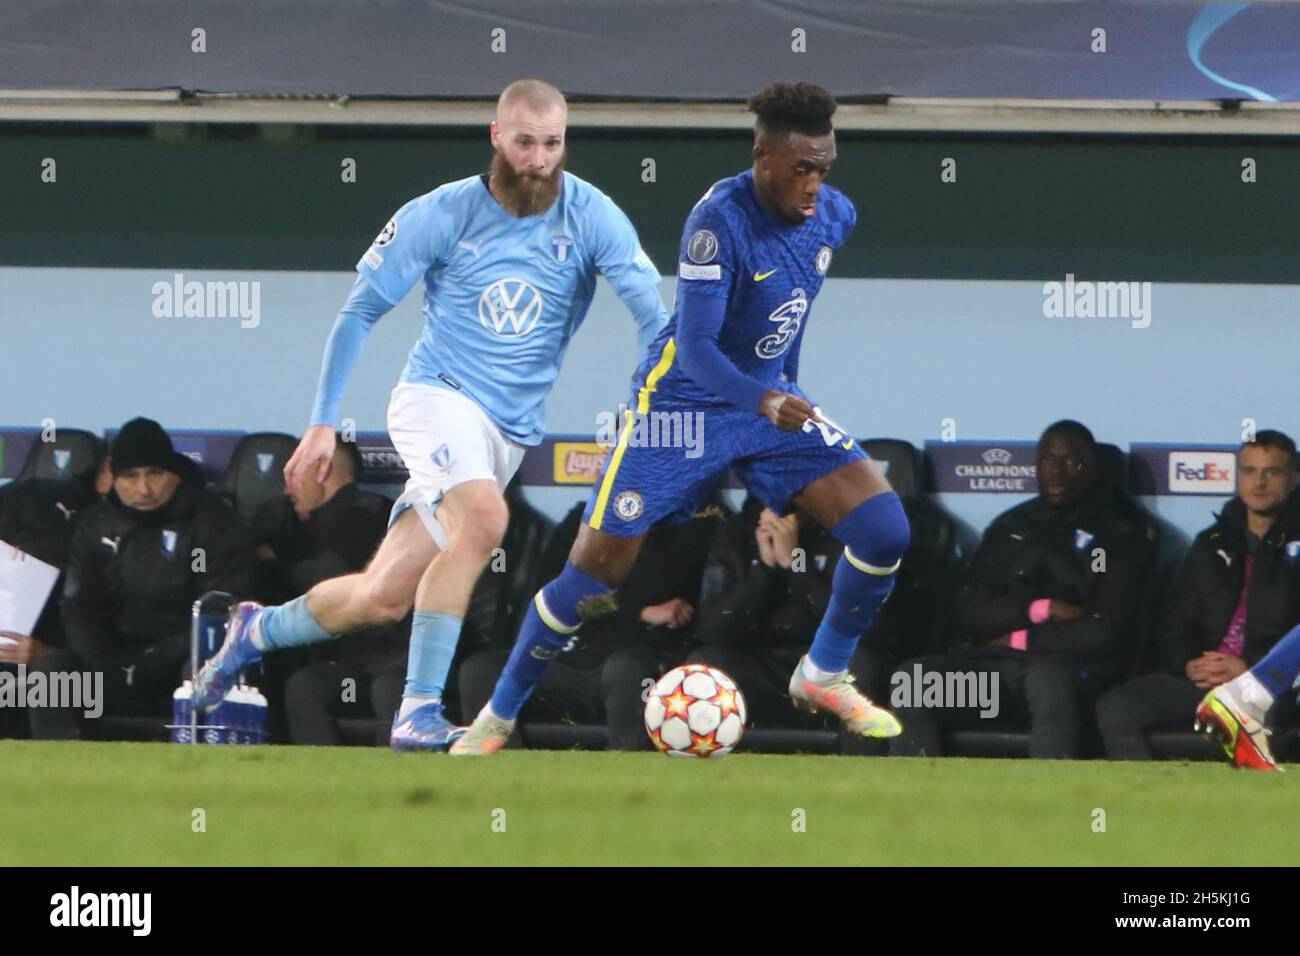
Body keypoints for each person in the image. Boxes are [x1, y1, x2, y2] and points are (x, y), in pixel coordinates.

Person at [193, 79, 668, 752]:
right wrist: (324, 420)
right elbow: (359, 312)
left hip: (503, 435)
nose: (538, 158)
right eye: (525, 142)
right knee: (484, 520)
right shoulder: (441, 213)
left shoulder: (594, 215)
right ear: (497, 137)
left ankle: (256, 630)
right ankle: (417, 712)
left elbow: (655, 319)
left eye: (553, 144)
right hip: (435, 398)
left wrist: (648, 399)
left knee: (382, 597)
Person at [454, 81, 910, 755]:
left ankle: (823, 672)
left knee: (884, 529)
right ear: (763, 157)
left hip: (765, 404)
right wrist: (762, 398)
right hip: (683, 411)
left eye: (824, 167)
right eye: (802, 168)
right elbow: (694, 349)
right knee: (594, 574)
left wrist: (783, 389)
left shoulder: (832, 217)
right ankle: (496, 718)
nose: (815, 183)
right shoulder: (717, 222)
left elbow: (794, 313)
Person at [890, 421, 1148, 758]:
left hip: (1069, 680)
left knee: (1047, 680)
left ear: (1092, 467)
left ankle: (1047, 807)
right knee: (913, 681)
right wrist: (1038, 609)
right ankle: (915, 805)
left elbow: (1101, 630)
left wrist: (1019, 639)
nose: (1056, 472)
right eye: (1046, 461)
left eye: (1071, 462)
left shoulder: (1117, 536)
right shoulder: (1012, 526)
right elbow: (966, 609)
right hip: (992, 683)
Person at [30, 418, 252, 739]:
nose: (144, 489)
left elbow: (221, 611)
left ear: (174, 473)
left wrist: (151, 662)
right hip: (111, 667)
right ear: (113, 479)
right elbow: (78, 608)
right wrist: (105, 664)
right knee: (52, 672)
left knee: (208, 667)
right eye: (130, 477)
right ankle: (59, 775)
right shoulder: (95, 525)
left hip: (180, 666)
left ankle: (203, 775)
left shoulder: (214, 522)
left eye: (155, 474)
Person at [1097, 431, 1300, 761]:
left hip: (1270, 683)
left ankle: (1247, 810)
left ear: (1293, 479)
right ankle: (1144, 799)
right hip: (1205, 678)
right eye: (1249, 471)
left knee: (1260, 716)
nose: (1259, 482)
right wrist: (1189, 664)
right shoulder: (1211, 543)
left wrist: (1248, 667)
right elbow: (1175, 625)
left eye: (1272, 472)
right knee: (1117, 707)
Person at [458, 503, 718, 749]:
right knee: (481, 671)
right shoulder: (583, 519)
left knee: (627, 669)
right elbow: (557, 596)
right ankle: (507, 779)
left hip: (639, 666)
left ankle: (629, 779)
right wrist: (639, 610)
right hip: (572, 662)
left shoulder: (696, 526)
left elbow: (678, 596)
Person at [0, 446, 112, 736]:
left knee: (51, 672)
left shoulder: (120, 543)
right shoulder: (32, 496)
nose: (142, 489)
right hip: (16, 641)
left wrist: (47, 652)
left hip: (71, 657)